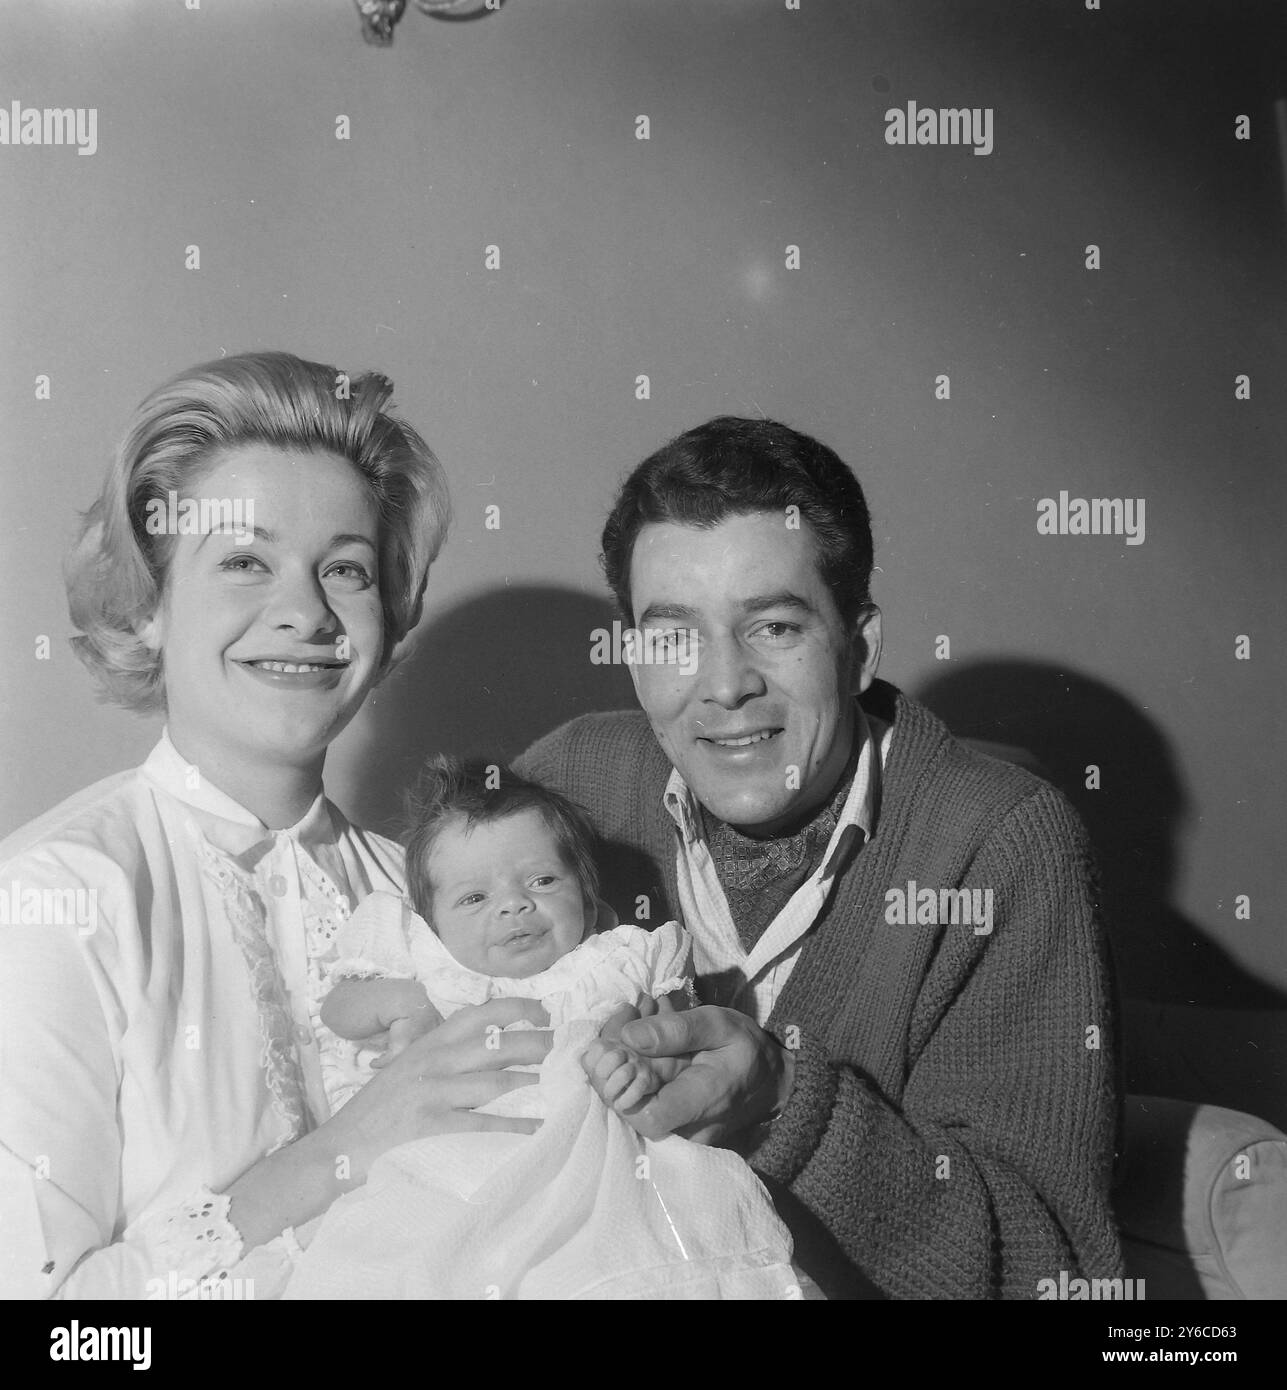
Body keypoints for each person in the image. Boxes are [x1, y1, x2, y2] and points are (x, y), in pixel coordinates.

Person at [514, 415, 1125, 1300]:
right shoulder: (568, 786)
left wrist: (782, 1106)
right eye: (672, 637)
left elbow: (1052, 1274)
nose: (724, 685)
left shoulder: (999, 845)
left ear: (859, 647)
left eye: (773, 627)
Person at [0, 352, 551, 1300]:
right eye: (244, 562)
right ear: (148, 605)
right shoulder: (57, 900)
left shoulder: (430, 893)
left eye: (345, 569)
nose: (304, 612)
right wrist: (344, 1150)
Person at [283, 756, 798, 1299]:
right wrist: (405, 1004)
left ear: (591, 904)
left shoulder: (617, 961)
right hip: (459, 1175)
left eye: (542, 880)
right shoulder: (432, 969)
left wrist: (640, 1062)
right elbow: (337, 1008)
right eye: (474, 898)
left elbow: (677, 1029)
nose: (514, 904)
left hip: (607, 1178)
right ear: (431, 926)